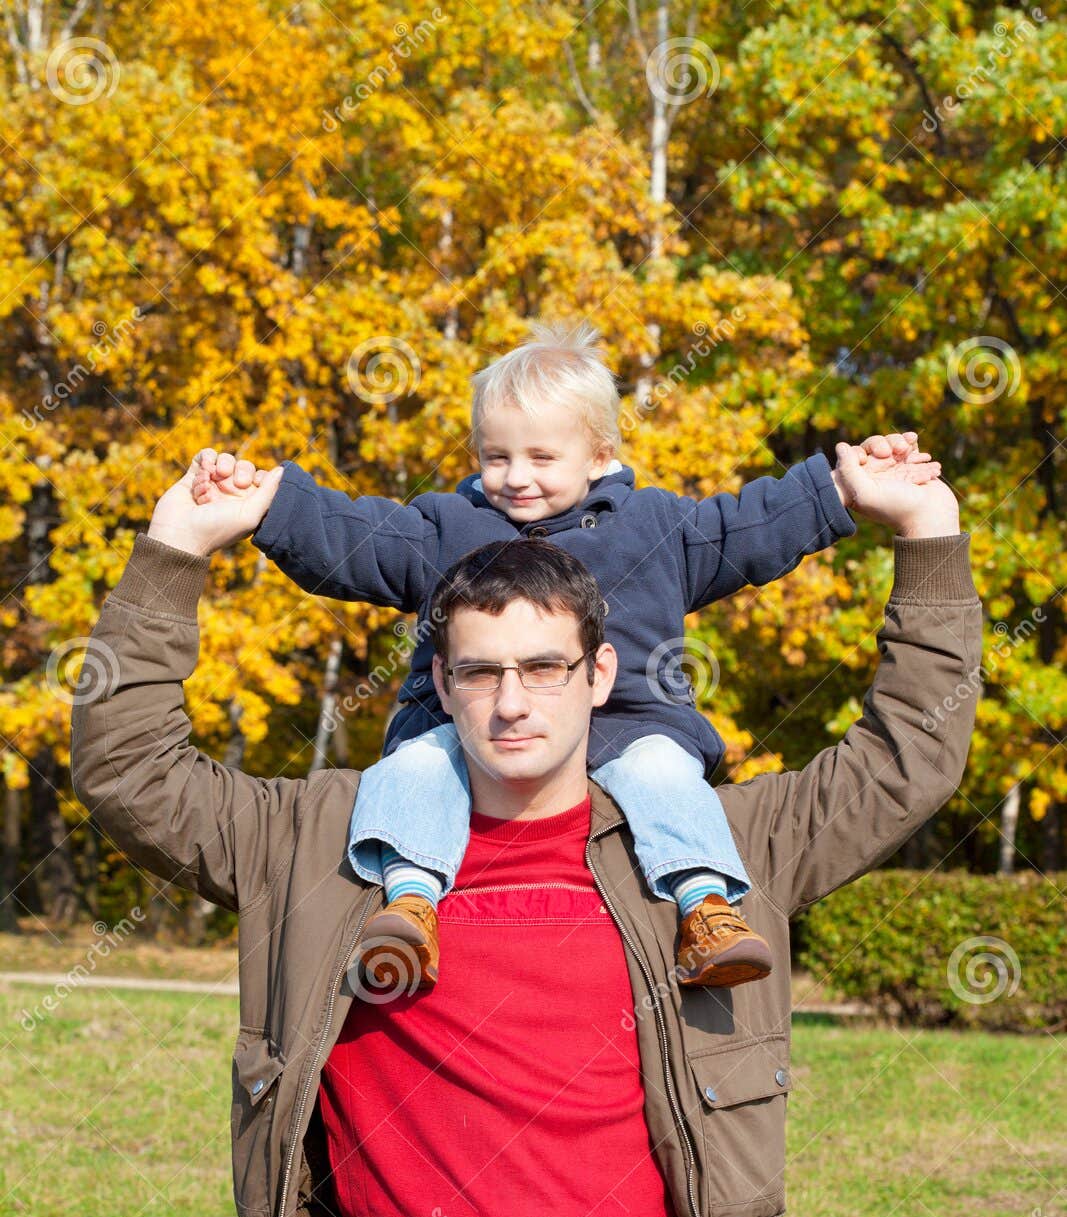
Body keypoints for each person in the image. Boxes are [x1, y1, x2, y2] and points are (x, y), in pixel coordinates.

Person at [70, 443, 977, 1217]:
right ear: (437, 684)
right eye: (480, 670)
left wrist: (926, 537)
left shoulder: (711, 850)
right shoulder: (325, 845)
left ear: (601, 675)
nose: (511, 701)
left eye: (544, 668)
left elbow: (909, 756)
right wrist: (173, 554)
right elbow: (128, 766)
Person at [190, 321, 941, 993]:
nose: (516, 477)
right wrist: (273, 504)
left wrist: (838, 489)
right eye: (496, 457)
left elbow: (746, 529)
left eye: (541, 457)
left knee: (663, 775)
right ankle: (411, 900)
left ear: (600, 455)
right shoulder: (448, 526)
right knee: (414, 768)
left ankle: (704, 904)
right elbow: (358, 541)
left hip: (632, 719)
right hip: (466, 732)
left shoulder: (655, 526)